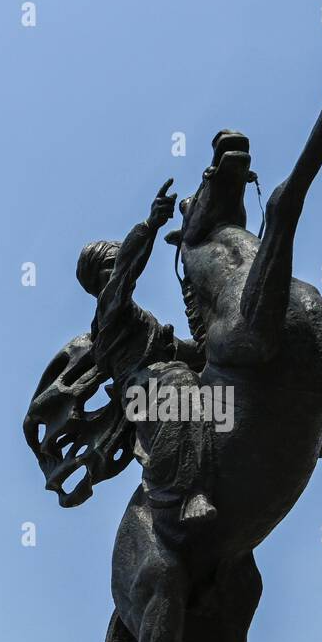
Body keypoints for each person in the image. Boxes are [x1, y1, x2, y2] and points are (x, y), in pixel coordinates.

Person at [77, 179, 217, 526]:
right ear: (100, 279)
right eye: (111, 265)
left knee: (222, 383)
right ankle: (189, 493)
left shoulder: (146, 324)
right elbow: (126, 270)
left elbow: (189, 352)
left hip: (165, 376)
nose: (117, 270)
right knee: (183, 382)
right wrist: (150, 226)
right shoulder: (108, 314)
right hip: (144, 391)